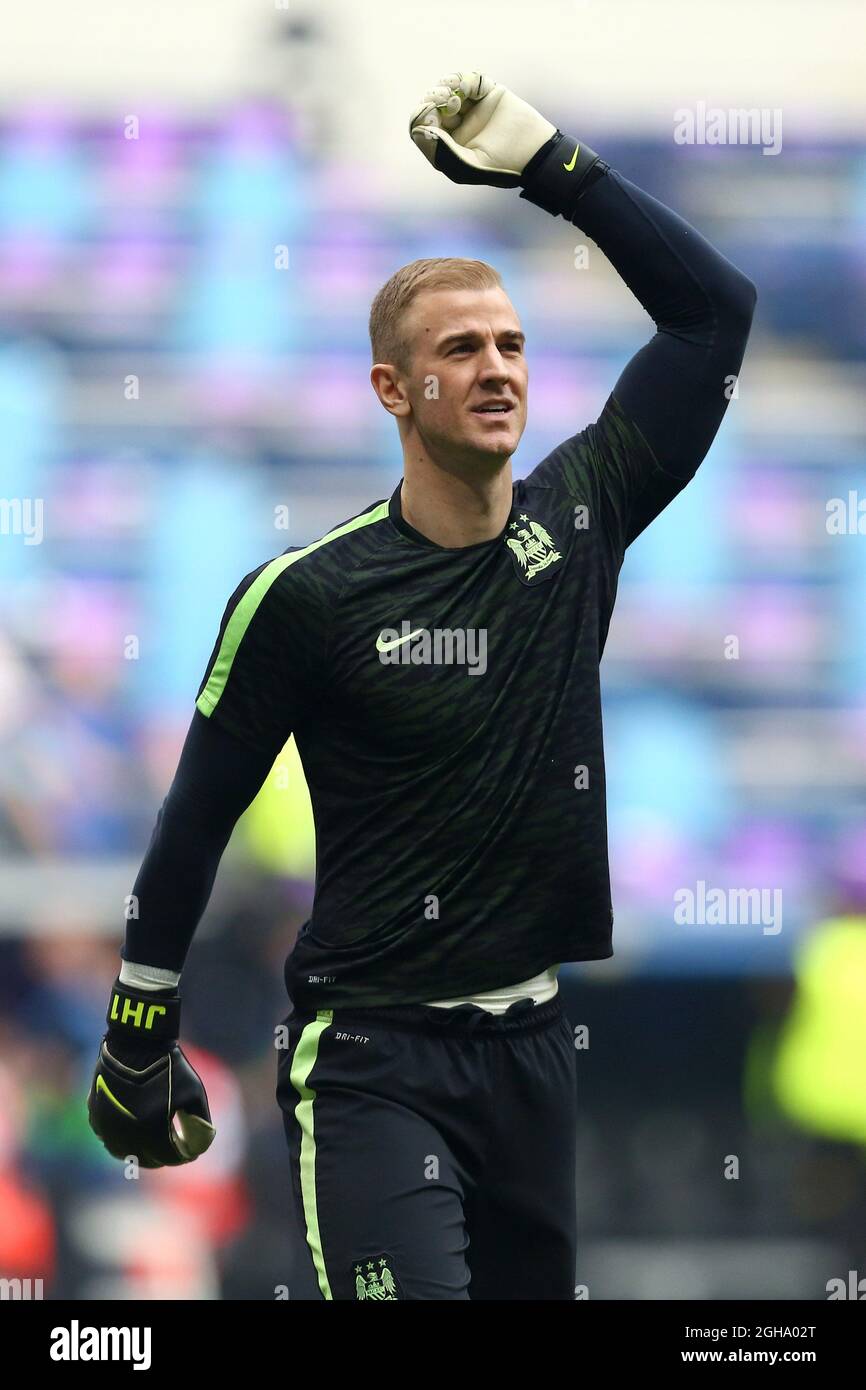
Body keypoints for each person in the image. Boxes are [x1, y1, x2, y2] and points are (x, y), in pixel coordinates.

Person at [87, 71, 757, 1300]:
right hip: (372, 1060)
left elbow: (714, 317)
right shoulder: (305, 593)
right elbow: (198, 811)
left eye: (511, 344)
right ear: (395, 391)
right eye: (461, 349)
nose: (498, 367)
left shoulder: (581, 514)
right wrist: (140, 1021)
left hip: (534, 1050)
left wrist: (552, 166)